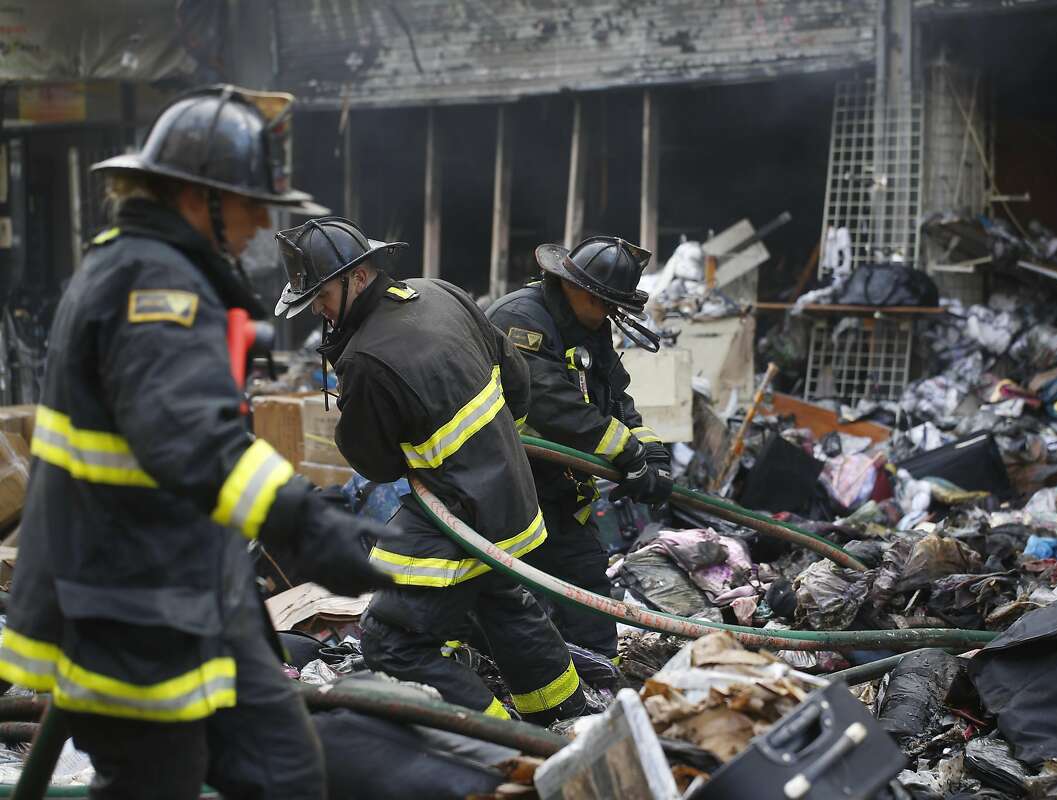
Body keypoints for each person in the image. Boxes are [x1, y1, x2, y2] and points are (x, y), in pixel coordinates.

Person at [0, 85, 394, 800]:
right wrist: (303, 524)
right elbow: (188, 439)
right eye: (248, 206)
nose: (255, 229)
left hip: (191, 592)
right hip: (125, 607)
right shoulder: (149, 283)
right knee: (159, 785)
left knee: (287, 776)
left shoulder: (157, 271)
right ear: (194, 197)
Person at [273, 216, 587, 724]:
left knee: (391, 640)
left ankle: (500, 741)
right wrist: (502, 445)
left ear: (356, 278)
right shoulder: (437, 292)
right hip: (514, 499)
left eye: (321, 295)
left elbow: (374, 464)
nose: (317, 309)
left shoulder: (367, 359)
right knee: (498, 598)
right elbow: (517, 377)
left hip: (458, 511)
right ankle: (564, 716)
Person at [486, 236, 671, 660]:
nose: (610, 315)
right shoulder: (521, 319)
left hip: (558, 497)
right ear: (581, 290)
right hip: (505, 494)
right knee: (510, 606)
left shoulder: (588, 325)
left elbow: (615, 397)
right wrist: (627, 453)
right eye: (607, 304)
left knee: (588, 596)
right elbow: (550, 405)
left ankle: (598, 692)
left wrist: (650, 450)